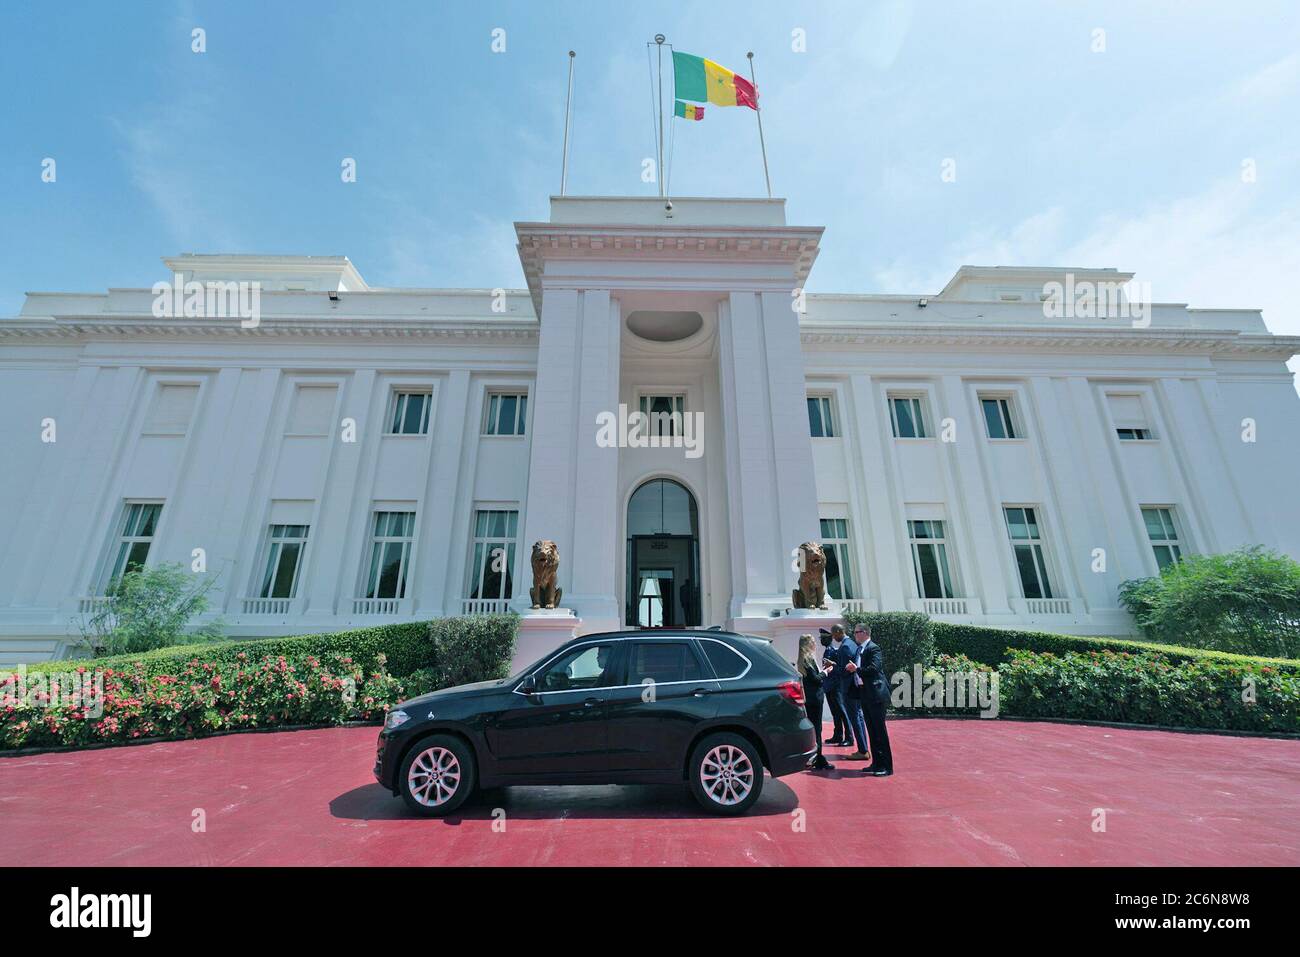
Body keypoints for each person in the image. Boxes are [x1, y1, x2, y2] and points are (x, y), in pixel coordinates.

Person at [849, 622, 894, 776]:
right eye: (854, 632)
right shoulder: (859, 650)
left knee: (880, 731)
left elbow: (874, 668)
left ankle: (886, 767)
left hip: (876, 694)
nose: (854, 635)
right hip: (865, 693)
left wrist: (857, 669)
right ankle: (876, 763)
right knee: (872, 731)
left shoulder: (873, 648)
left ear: (865, 633)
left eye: (856, 632)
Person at [829, 624, 870, 761]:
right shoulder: (851, 643)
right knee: (858, 717)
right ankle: (863, 749)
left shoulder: (846, 646)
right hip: (854, 686)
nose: (833, 637)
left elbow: (845, 669)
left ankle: (863, 750)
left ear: (840, 632)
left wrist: (833, 666)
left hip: (849, 688)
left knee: (856, 718)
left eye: (834, 634)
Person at [796, 634, 833, 770]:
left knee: (815, 728)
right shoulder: (808, 660)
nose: (815, 645)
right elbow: (816, 679)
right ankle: (819, 759)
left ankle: (815, 757)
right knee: (817, 729)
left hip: (811, 698)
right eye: (813, 642)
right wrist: (826, 671)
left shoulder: (803, 660)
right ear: (809, 644)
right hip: (814, 699)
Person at [818, 629, 851, 746]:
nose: (821, 640)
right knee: (835, 712)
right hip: (829, 686)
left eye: (823, 638)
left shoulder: (834, 651)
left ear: (829, 639)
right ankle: (838, 735)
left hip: (835, 686)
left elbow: (839, 669)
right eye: (820, 638)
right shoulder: (828, 650)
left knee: (842, 712)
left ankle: (849, 737)